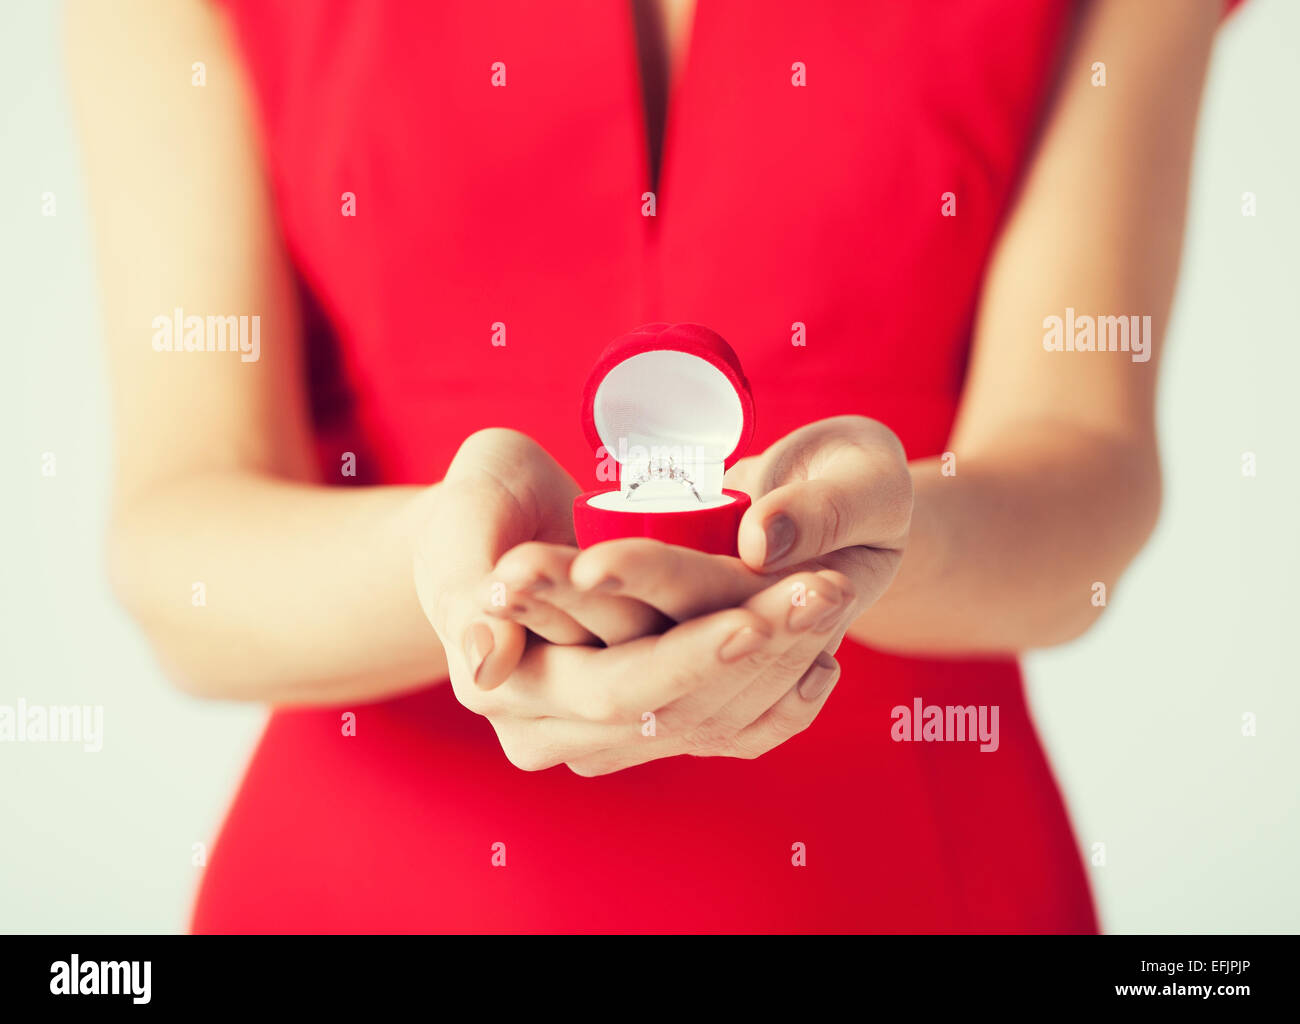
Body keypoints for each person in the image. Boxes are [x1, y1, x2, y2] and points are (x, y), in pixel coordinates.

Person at [65, 0, 1236, 931]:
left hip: (910, 886)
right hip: (364, 886)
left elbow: (1086, 473)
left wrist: (885, 539)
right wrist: (449, 568)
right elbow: (183, 552)